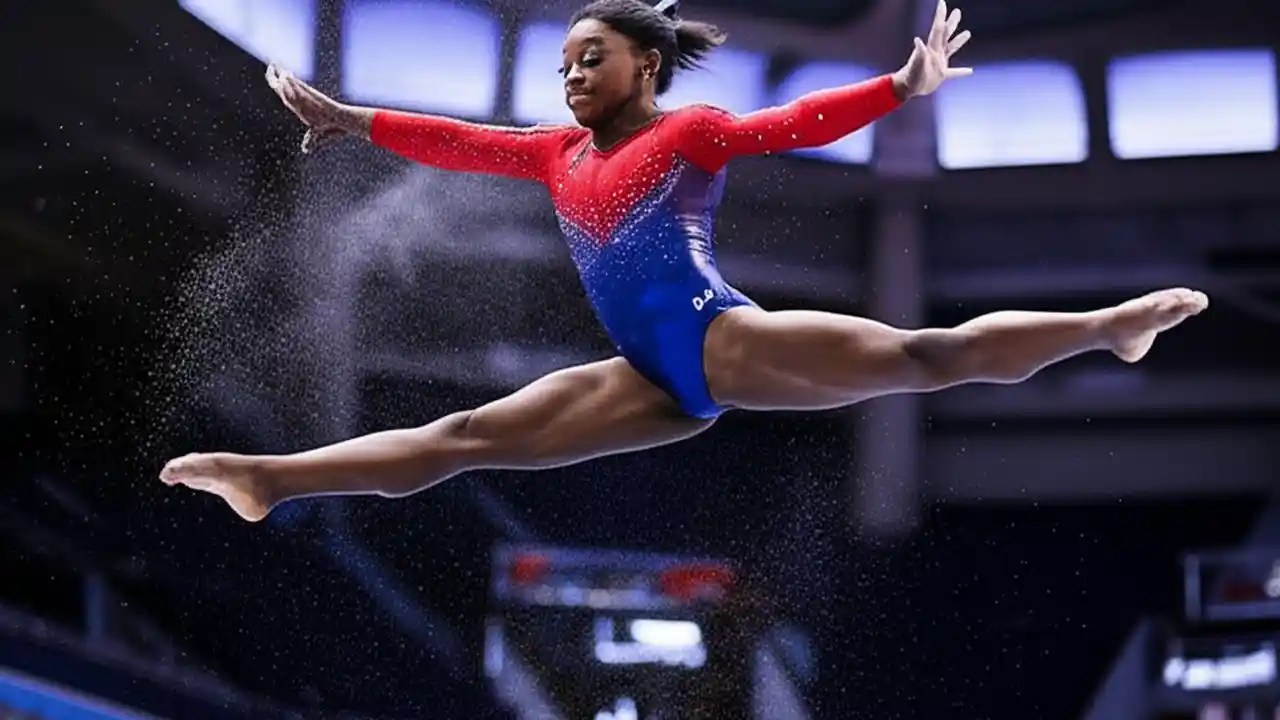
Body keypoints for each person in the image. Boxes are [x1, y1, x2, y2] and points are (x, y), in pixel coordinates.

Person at [161, 0, 1207, 521]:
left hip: (717, 338)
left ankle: (1104, 327)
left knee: (920, 355)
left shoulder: (688, 132)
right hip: (646, 374)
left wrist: (894, 89)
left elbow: (791, 121)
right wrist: (350, 120)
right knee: (465, 435)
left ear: (644, 68)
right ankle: (268, 478)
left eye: (593, 58)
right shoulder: (554, 152)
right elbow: (456, 142)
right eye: (565, 59)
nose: (571, 74)